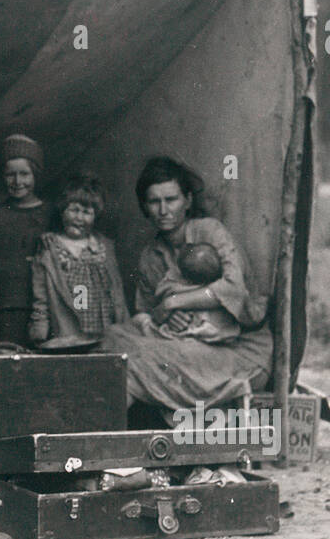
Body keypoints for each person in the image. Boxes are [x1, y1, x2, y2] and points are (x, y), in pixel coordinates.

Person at [99, 156, 272, 423]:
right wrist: (160, 316)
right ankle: (98, 435)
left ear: (188, 201)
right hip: (181, 342)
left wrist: (174, 303)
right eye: (154, 202)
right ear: (145, 206)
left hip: (237, 349)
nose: (163, 210)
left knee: (131, 363)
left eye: (171, 199)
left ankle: (104, 435)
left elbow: (233, 288)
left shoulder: (209, 232)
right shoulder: (151, 255)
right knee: (111, 339)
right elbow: (143, 313)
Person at [28, 173, 129, 346]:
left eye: (87, 212)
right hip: (68, 330)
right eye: (74, 210)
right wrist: (40, 327)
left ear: (95, 216)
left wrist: (124, 325)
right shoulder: (51, 248)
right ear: (62, 210)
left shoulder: (104, 247)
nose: (79, 218)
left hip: (103, 327)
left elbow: (117, 292)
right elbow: (40, 294)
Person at [0, 134, 50, 348]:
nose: (18, 182)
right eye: (10, 174)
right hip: (3, 306)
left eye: (24, 174)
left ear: (35, 173)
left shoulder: (50, 213)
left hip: (41, 307)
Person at [144, 242, 239, 344]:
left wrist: (170, 302)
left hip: (192, 324)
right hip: (214, 327)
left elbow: (161, 293)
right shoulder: (212, 285)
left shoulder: (174, 286)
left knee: (150, 326)